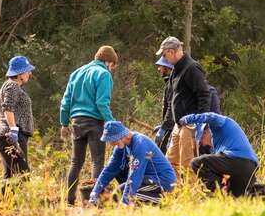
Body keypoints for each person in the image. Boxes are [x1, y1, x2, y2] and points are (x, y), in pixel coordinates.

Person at [60, 46, 118, 205]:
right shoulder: (103, 74)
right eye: (113, 66)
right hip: (94, 123)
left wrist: (64, 123)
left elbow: (65, 102)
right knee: (97, 161)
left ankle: (69, 200)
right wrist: (112, 123)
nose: (112, 69)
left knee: (75, 162)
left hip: (76, 122)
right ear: (108, 62)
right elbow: (102, 103)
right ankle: (95, 200)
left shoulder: (76, 73)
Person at [154, 36, 213, 166]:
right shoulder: (176, 70)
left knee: (187, 164)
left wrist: (200, 123)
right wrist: (165, 126)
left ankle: (190, 181)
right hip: (178, 125)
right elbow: (173, 99)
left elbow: (204, 94)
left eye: (164, 55)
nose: (164, 58)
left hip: (190, 125)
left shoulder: (192, 68)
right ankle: (174, 181)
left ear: (171, 52)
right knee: (170, 163)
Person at [89, 120, 177, 205]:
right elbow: (109, 169)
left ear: (121, 137)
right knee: (118, 185)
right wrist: (94, 192)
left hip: (163, 181)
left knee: (119, 194)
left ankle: (165, 200)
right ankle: (134, 199)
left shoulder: (140, 144)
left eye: (112, 141)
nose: (110, 144)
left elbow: (135, 175)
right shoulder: (121, 146)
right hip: (146, 178)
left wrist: (125, 201)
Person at [179, 111, 258, 196]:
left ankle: (221, 194)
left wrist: (188, 119)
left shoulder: (219, 124)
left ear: (204, 133)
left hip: (238, 160)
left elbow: (211, 116)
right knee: (239, 196)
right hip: (250, 167)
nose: (204, 145)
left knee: (196, 163)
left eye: (201, 142)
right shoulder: (219, 144)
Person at [0, 55, 35, 180]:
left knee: (11, 177)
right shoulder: (12, 86)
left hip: (8, 134)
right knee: (23, 175)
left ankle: (4, 194)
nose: (30, 73)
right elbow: (8, 108)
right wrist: (13, 130)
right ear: (20, 74)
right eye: (27, 71)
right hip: (11, 135)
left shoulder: (10, 85)